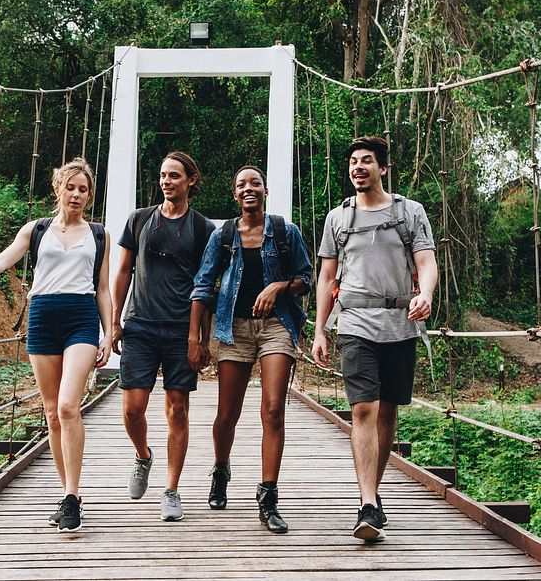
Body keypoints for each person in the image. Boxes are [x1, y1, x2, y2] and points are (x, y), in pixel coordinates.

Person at [0, 158, 111, 533]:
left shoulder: (99, 235)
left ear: (89, 195)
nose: (76, 194)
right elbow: (2, 261)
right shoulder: (37, 230)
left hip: (80, 318)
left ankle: (72, 495)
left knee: (67, 406)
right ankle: (69, 496)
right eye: (70, 187)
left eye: (83, 189)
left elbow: (103, 288)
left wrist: (109, 333)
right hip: (43, 318)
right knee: (51, 412)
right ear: (58, 189)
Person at [311, 136, 437, 541]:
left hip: (400, 323)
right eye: (353, 162)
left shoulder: (410, 212)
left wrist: (426, 294)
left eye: (366, 161)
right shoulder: (338, 218)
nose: (358, 167)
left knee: (387, 412)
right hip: (354, 324)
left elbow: (426, 262)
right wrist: (320, 330)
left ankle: (373, 494)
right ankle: (367, 503)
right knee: (364, 408)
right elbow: (326, 277)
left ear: (383, 168)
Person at [189, 165, 312, 534]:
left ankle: (268, 497)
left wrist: (278, 286)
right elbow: (203, 284)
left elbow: (305, 278)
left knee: (273, 410)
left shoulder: (286, 232)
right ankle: (221, 469)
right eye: (241, 184)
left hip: (276, 326)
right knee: (227, 414)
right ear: (235, 194)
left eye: (255, 183)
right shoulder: (223, 236)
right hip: (234, 328)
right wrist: (195, 338)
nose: (248, 188)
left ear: (265, 190)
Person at [111, 152, 214, 522]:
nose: (167, 181)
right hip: (140, 324)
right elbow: (123, 270)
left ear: (191, 180)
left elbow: (206, 285)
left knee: (178, 408)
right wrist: (115, 321)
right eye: (162, 175)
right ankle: (143, 455)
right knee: (132, 408)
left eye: (174, 176)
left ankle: (171, 490)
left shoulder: (203, 228)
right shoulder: (140, 219)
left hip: (180, 330)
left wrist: (202, 339)